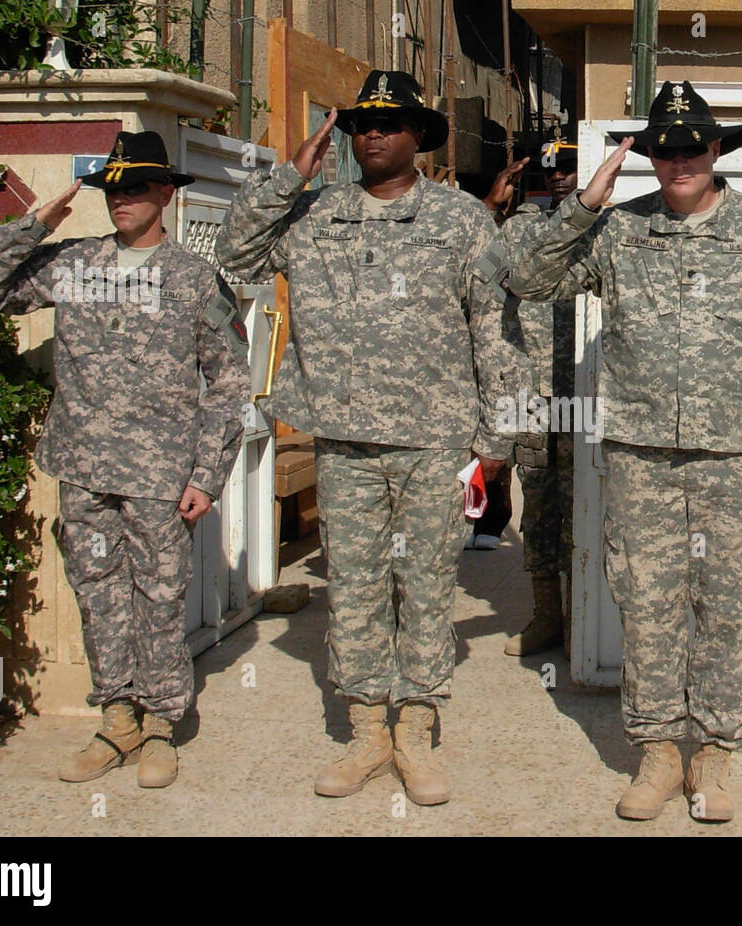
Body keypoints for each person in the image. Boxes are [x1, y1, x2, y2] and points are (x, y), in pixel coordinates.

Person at [509, 82, 742, 822]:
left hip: (737, 455)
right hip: (641, 456)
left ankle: (715, 753)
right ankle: (656, 753)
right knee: (647, 608)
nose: (679, 160)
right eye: (665, 149)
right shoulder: (618, 231)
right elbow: (526, 276)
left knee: (730, 606)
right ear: (648, 156)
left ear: (718, 151)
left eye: (693, 147)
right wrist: (585, 203)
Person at [215, 70, 523, 807]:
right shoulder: (312, 216)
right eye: (360, 123)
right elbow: (233, 252)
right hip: (346, 440)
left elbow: (496, 329)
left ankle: (416, 729)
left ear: (419, 135)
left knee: (424, 585)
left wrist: (499, 437)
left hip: (436, 441)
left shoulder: (460, 220)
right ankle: (366, 731)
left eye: (389, 122)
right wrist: (288, 176)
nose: (371, 134)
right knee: (353, 588)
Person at [0, 130, 252, 788]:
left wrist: (208, 475)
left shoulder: (193, 278)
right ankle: (118, 718)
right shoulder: (72, 262)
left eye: (134, 188)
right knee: (100, 598)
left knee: (159, 598)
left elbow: (230, 384)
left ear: (164, 192)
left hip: (161, 475)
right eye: (111, 189)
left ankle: (160, 725)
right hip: (84, 464)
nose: (120, 200)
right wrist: (36, 222)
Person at [482, 126, 580, 657]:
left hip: (597, 397)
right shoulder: (521, 230)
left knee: (592, 509)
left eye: (570, 167)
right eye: (554, 170)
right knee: (540, 509)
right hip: (537, 397)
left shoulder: (612, 226)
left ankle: (591, 620)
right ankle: (548, 615)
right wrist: (490, 211)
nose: (562, 178)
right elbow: (472, 275)